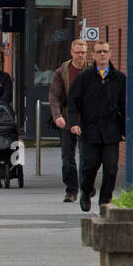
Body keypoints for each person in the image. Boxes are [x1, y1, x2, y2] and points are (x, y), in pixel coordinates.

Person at [69, 41, 130, 212]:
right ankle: (86, 192)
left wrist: (128, 128)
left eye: (105, 51)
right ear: (93, 55)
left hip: (111, 131)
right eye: (99, 52)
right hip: (90, 130)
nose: (102, 54)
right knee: (89, 167)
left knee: (111, 169)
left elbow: (126, 104)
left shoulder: (119, 78)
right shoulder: (85, 77)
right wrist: (74, 123)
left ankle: (105, 201)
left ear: (110, 54)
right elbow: (73, 101)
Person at [47, 39, 88, 203]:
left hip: (87, 121)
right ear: (71, 53)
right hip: (68, 119)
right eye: (78, 52)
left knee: (87, 158)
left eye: (83, 53)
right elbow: (54, 96)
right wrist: (57, 116)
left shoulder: (92, 71)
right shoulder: (62, 71)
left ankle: (86, 188)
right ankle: (71, 191)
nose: (80, 56)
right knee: (67, 158)